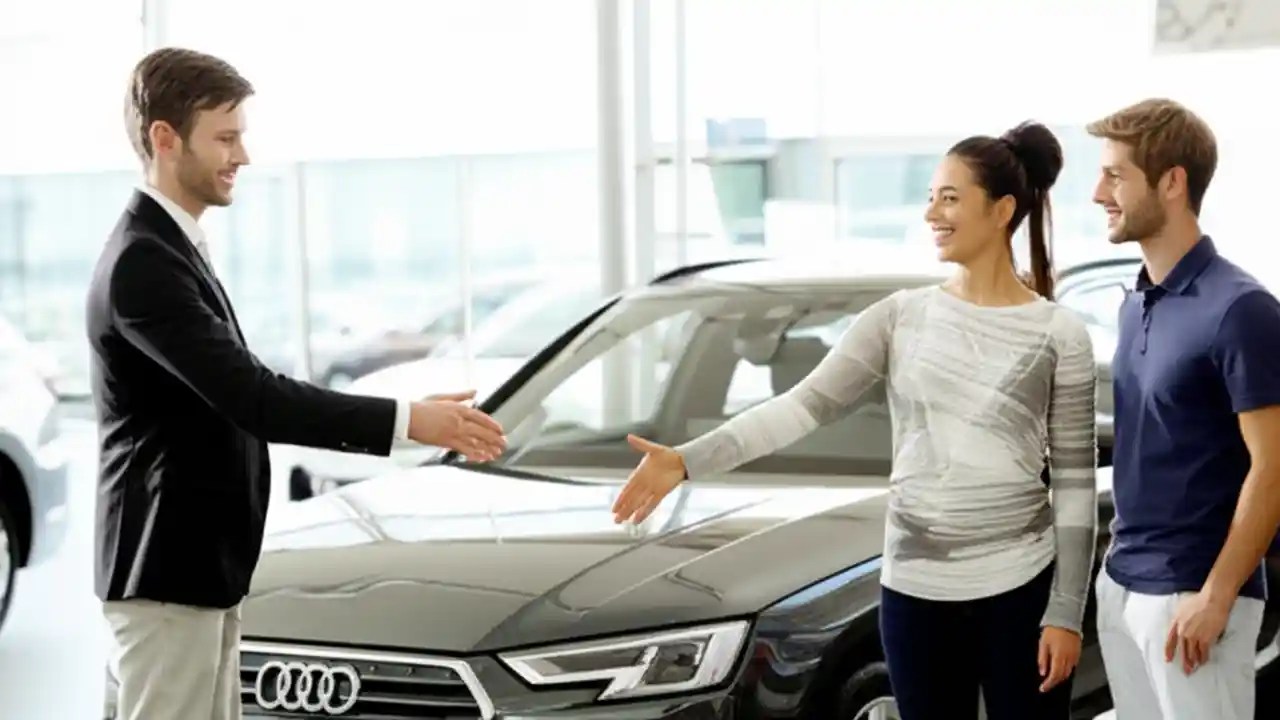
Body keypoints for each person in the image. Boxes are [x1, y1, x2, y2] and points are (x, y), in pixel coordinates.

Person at [612, 121, 1097, 719]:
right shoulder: (900, 318)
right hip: (917, 595)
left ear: (1001, 211)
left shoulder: (1058, 333)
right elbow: (801, 407)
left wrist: (1066, 612)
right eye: (929, 198)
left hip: (1022, 590)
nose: (931, 215)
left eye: (949, 198)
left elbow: (1074, 487)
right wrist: (688, 460)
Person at [86, 47, 507, 720]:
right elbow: (253, 396)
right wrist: (409, 421)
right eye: (226, 137)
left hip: (198, 570)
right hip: (167, 571)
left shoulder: (170, 248)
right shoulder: (144, 262)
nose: (242, 156)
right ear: (165, 140)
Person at [1086, 98, 1280, 720]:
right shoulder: (1135, 302)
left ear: (1172, 182)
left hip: (1193, 599)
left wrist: (1217, 595)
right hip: (1122, 586)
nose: (1098, 193)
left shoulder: (1240, 308)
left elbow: (1274, 467)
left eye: (1115, 175)